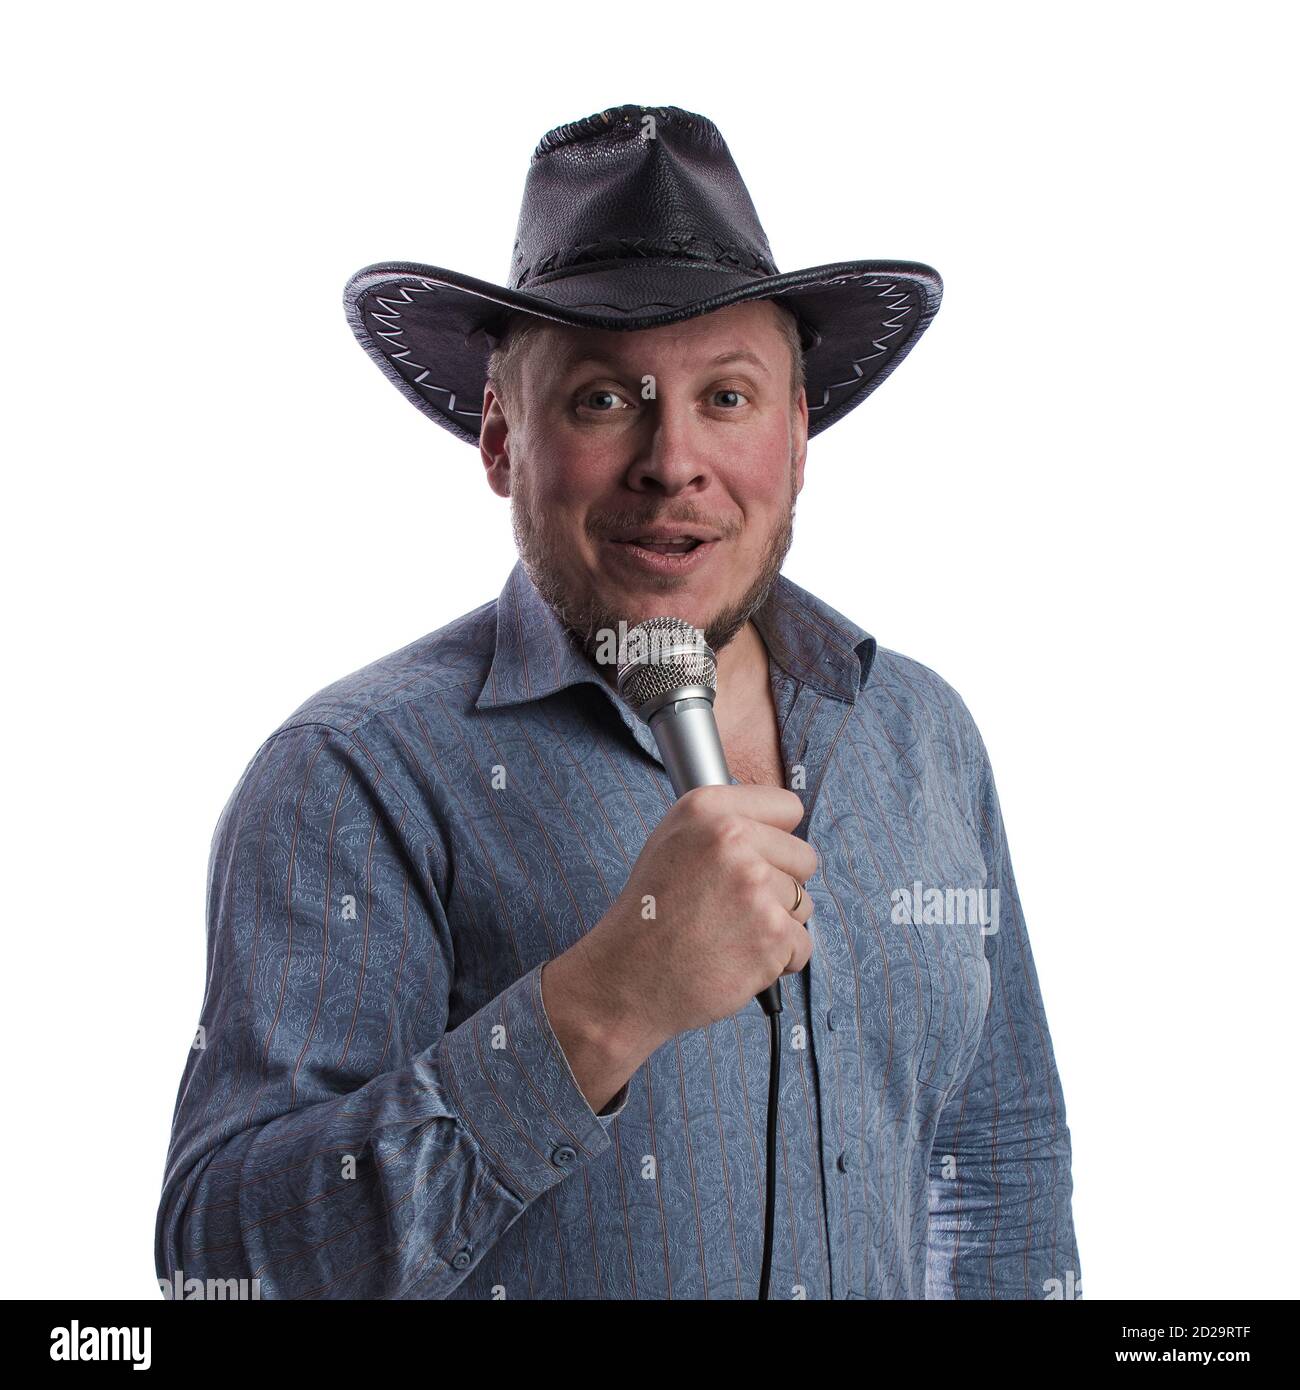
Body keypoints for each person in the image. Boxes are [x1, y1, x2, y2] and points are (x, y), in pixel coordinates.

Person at [155, 103, 1080, 1300]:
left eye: (727, 397)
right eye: (603, 399)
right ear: (502, 437)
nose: (671, 461)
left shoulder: (920, 732)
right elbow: (220, 1267)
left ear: (799, 432)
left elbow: (997, 1164)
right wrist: (600, 1006)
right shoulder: (357, 773)